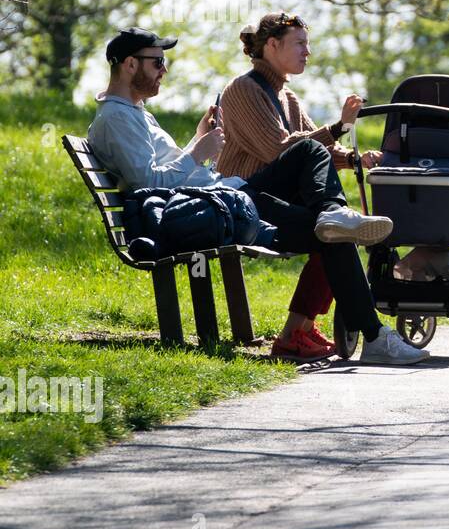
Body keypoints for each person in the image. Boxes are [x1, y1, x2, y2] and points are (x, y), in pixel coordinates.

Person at [86, 26, 428, 365]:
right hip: (216, 208)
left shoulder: (135, 112)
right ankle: (372, 334)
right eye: (157, 62)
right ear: (131, 65)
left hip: (225, 197)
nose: (164, 70)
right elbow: (149, 182)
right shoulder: (117, 118)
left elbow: (164, 171)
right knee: (333, 231)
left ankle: (333, 218)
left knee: (312, 161)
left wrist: (197, 139)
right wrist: (197, 153)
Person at [216, 12, 384, 360]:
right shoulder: (242, 90)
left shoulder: (288, 98)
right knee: (332, 221)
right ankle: (375, 336)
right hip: (243, 201)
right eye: (300, 43)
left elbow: (316, 152)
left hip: (273, 200)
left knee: (334, 231)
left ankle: (295, 334)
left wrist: (355, 160)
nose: (308, 51)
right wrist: (338, 127)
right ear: (273, 45)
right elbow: (281, 149)